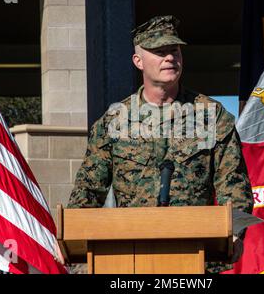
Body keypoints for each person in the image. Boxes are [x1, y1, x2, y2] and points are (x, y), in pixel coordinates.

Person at [67, 15, 254, 272]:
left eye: (174, 51)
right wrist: (71, 237)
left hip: (196, 258)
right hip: (127, 258)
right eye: (159, 51)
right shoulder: (114, 121)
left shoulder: (213, 116)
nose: (169, 58)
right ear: (138, 61)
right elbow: (88, 190)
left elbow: (235, 186)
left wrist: (235, 234)